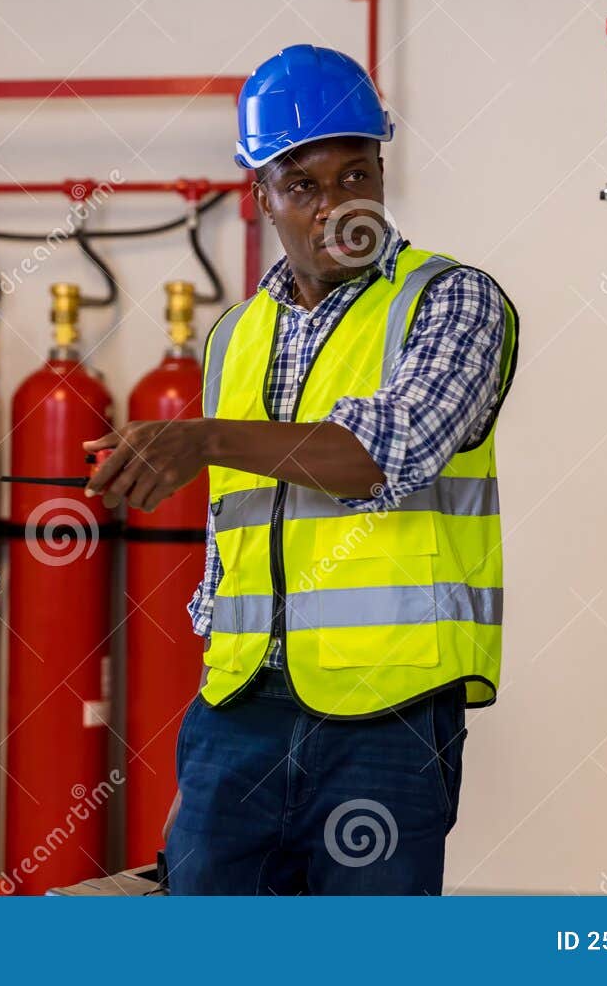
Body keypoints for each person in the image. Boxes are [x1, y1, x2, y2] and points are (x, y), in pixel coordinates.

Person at [82, 44, 519, 894]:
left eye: (357, 175)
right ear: (263, 197)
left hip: (389, 719)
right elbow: (229, 547)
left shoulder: (453, 301)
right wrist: (203, 755)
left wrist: (206, 438)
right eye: (305, 186)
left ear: (384, 171)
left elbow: (382, 451)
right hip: (238, 715)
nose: (336, 207)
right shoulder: (233, 336)